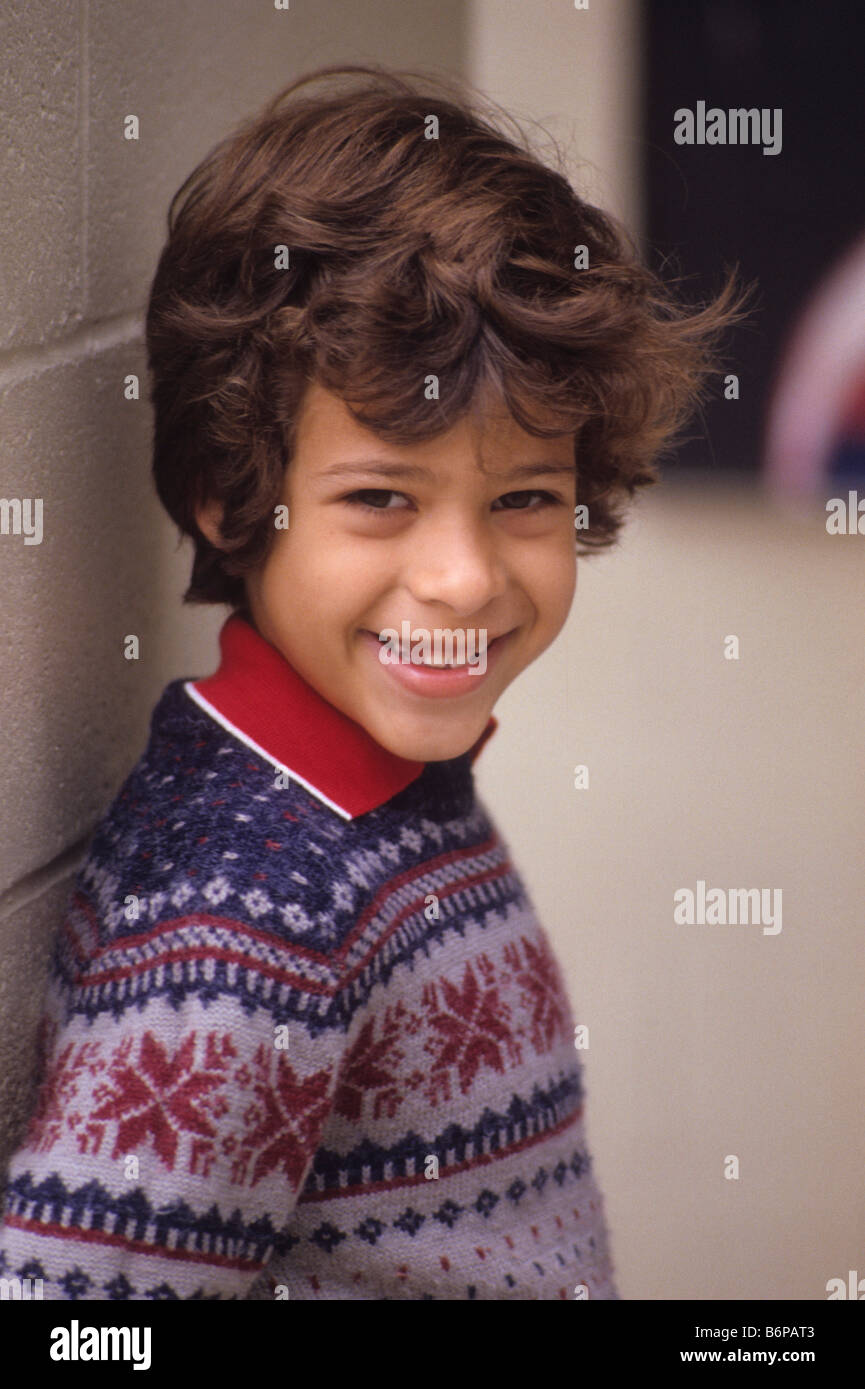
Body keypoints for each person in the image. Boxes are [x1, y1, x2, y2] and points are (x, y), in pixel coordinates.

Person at [0, 63, 747, 1300]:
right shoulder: (241, 919)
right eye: (380, 499)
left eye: (522, 499)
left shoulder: (384, 776)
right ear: (233, 499)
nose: (460, 578)